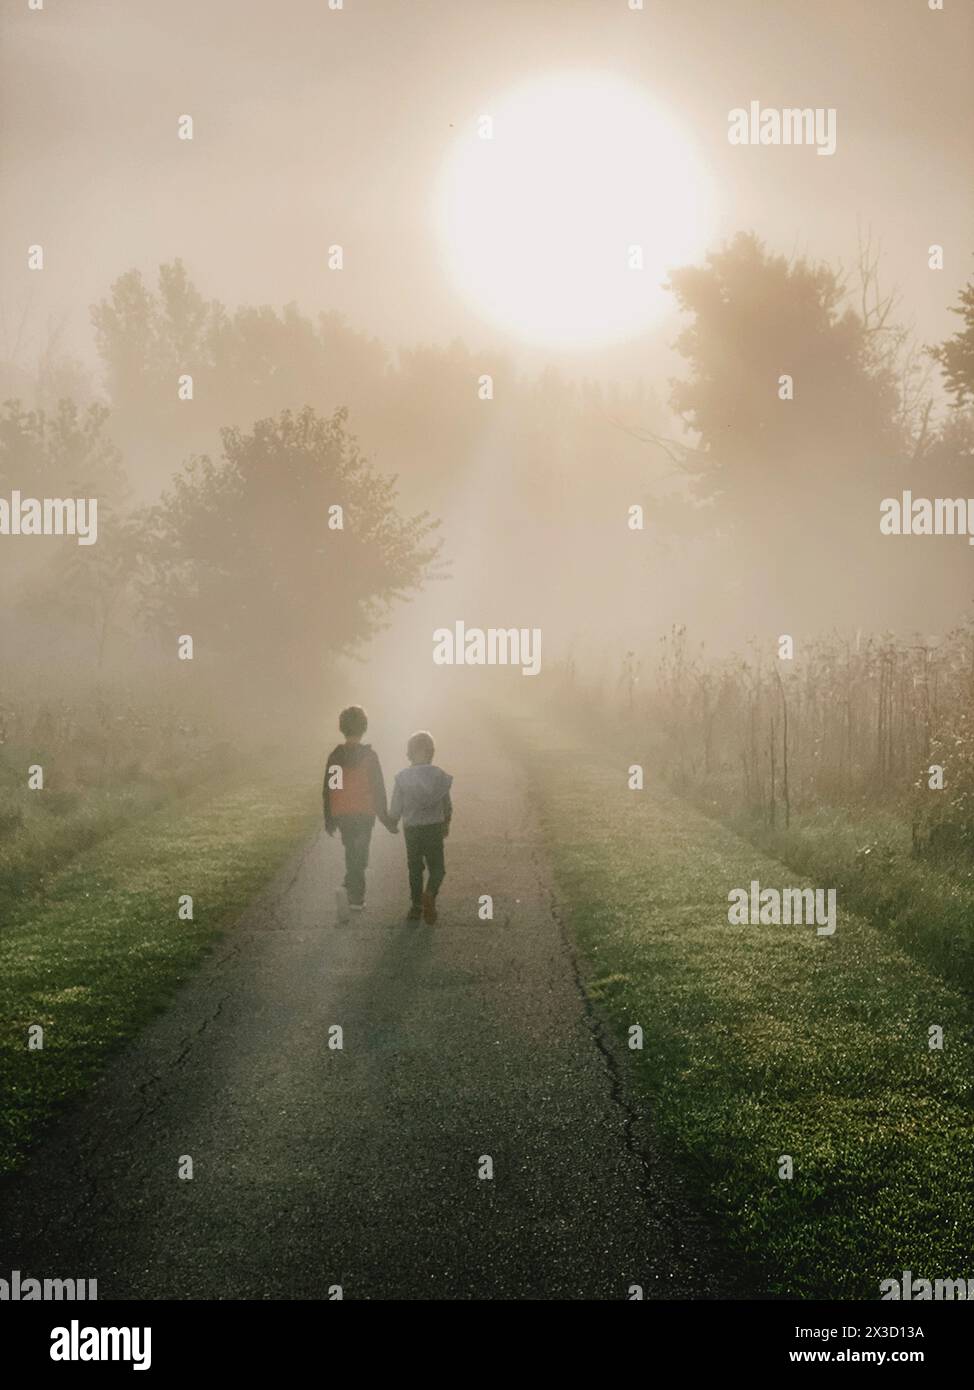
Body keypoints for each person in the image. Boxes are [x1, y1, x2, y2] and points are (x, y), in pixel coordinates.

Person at [322, 706, 394, 918]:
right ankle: (355, 898)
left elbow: (330, 789)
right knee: (360, 856)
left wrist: (329, 818)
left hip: (343, 814)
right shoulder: (370, 757)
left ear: (342, 728)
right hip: (364, 814)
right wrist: (386, 819)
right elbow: (377, 790)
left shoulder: (336, 757)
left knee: (352, 853)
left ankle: (348, 889)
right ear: (364, 728)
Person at [388, 730, 453, 924]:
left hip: (412, 830)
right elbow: (447, 805)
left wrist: (392, 822)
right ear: (431, 752)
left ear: (409, 754)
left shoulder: (402, 778)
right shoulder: (439, 776)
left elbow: (395, 808)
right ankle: (430, 894)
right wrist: (446, 823)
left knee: (415, 868)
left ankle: (416, 907)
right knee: (438, 869)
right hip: (433, 827)